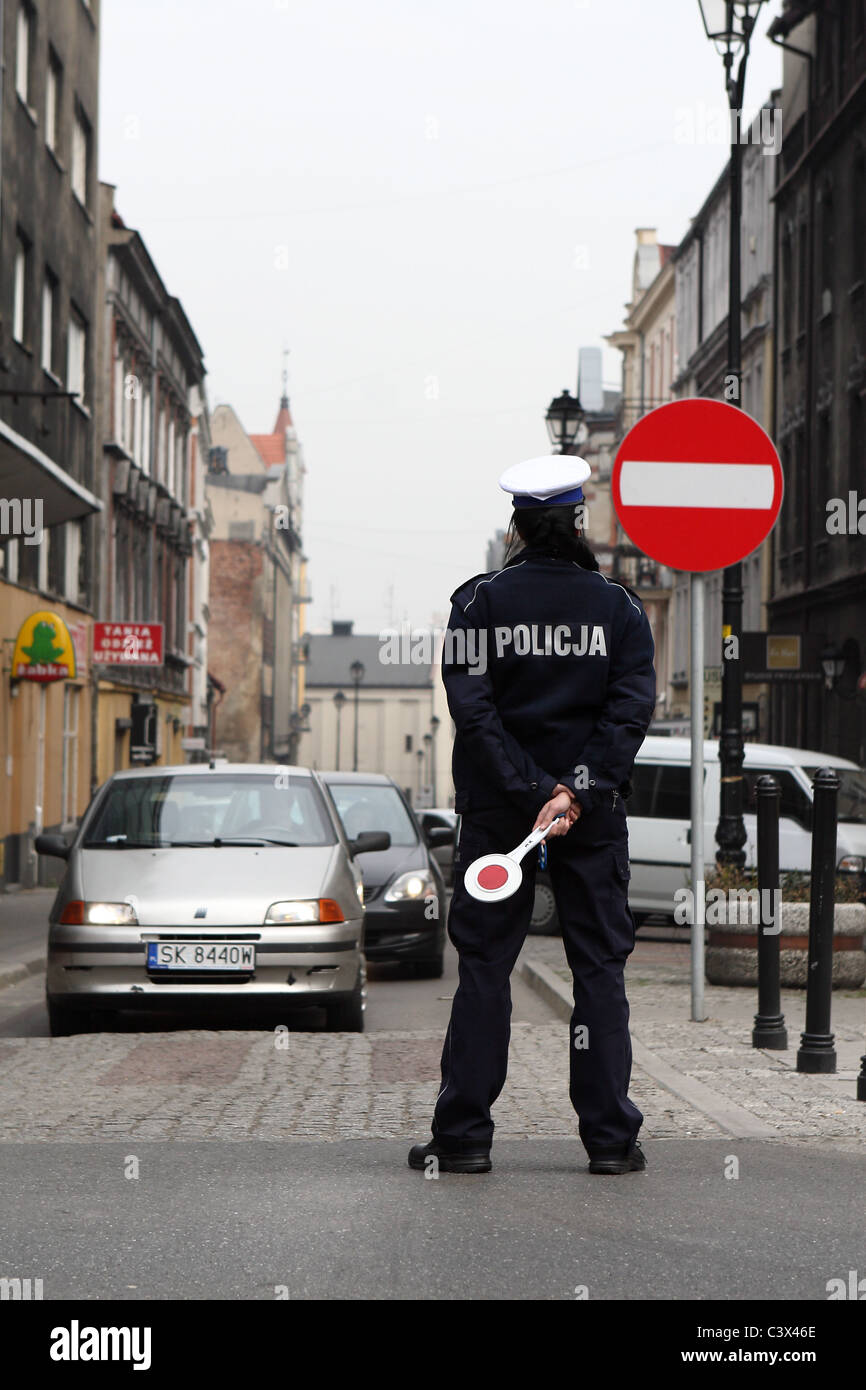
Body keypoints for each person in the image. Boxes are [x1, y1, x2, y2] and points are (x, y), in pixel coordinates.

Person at [408, 454, 656, 1176]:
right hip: (593, 817)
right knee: (599, 974)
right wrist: (573, 792)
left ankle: (464, 1137)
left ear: (515, 526)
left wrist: (531, 796)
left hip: (498, 819)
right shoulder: (619, 608)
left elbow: (474, 716)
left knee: (485, 970)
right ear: (578, 522)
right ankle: (610, 1142)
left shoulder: (478, 605)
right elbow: (629, 714)